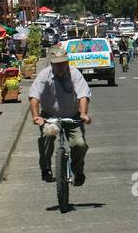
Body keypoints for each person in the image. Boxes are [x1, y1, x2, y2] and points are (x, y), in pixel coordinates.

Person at [29, 45, 92, 186]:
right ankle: (46, 169)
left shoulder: (74, 74)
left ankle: (78, 170)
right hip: (50, 116)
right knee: (47, 137)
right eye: (57, 64)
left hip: (73, 116)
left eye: (63, 63)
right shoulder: (44, 75)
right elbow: (34, 96)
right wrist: (36, 116)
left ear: (68, 62)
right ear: (52, 64)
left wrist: (83, 114)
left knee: (79, 144)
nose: (61, 67)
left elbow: (83, 95)